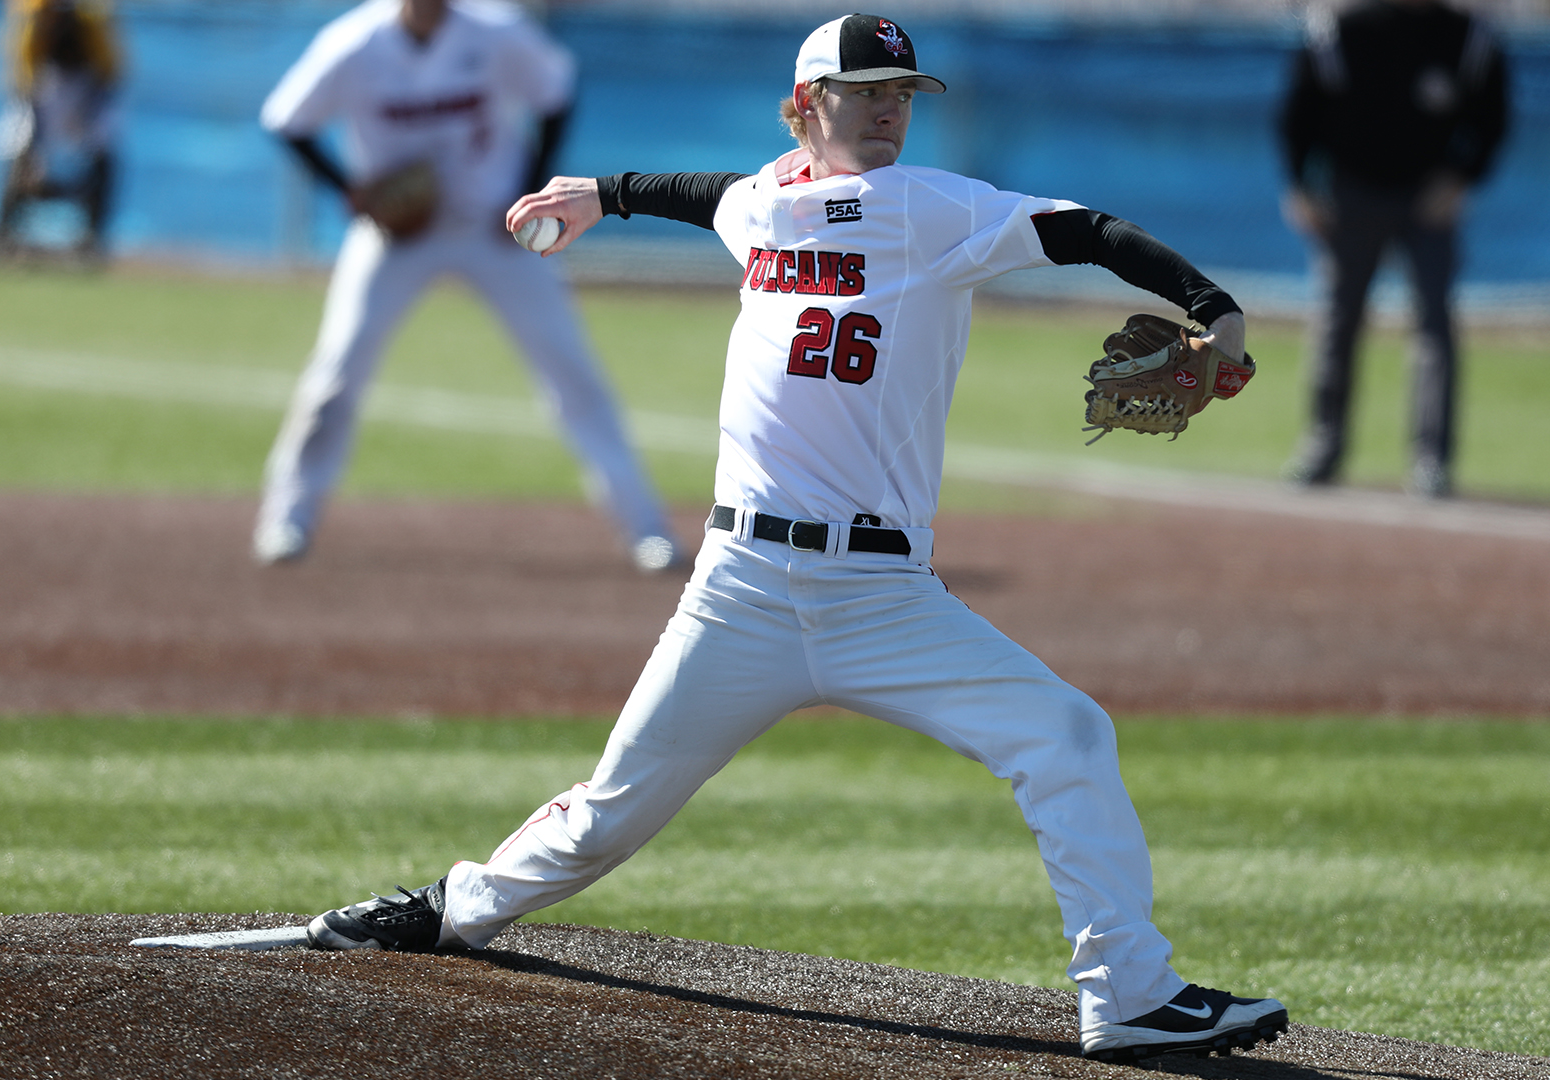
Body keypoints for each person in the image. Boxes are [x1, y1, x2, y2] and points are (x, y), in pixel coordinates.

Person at [300, 13, 1286, 1066]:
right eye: (866, 92)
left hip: (885, 601)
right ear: (808, 102)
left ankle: (1128, 993)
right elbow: (704, 196)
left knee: (1069, 737)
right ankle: (456, 909)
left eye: (902, 94)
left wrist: (1211, 306)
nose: (891, 110)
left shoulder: (934, 207)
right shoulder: (764, 203)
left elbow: (1085, 229)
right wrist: (599, 193)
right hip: (742, 592)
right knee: (609, 814)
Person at [252, 0, 678, 572]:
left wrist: (530, 191)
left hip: (496, 228)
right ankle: (288, 518)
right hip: (398, 236)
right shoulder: (353, 43)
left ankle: (645, 528)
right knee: (337, 372)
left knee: (570, 370)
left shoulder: (495, 30)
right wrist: (351, 191)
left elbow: (556, 92)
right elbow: (286, 120)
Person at [1276, 0, 1509, 499]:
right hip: (1353, 194)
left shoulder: (1465, 37)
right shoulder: (1341, 29)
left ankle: (1431, 460)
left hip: (1428, 201)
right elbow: (1299, 110)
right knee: (1339, 320)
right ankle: (1324, 445)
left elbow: (1493, 118)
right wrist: (1301, 185)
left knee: (1434, 324)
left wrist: (1461, 179)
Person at [0, 0, 123, 263]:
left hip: (87, 86)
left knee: (104, 146)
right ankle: (1, 234)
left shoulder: (92, 17)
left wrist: (89, 115)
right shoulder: (31, 13)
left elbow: (112, 72)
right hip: (42, 84)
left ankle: (92, 238)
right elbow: (20, 79)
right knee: (14, 141)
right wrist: (32, 156)